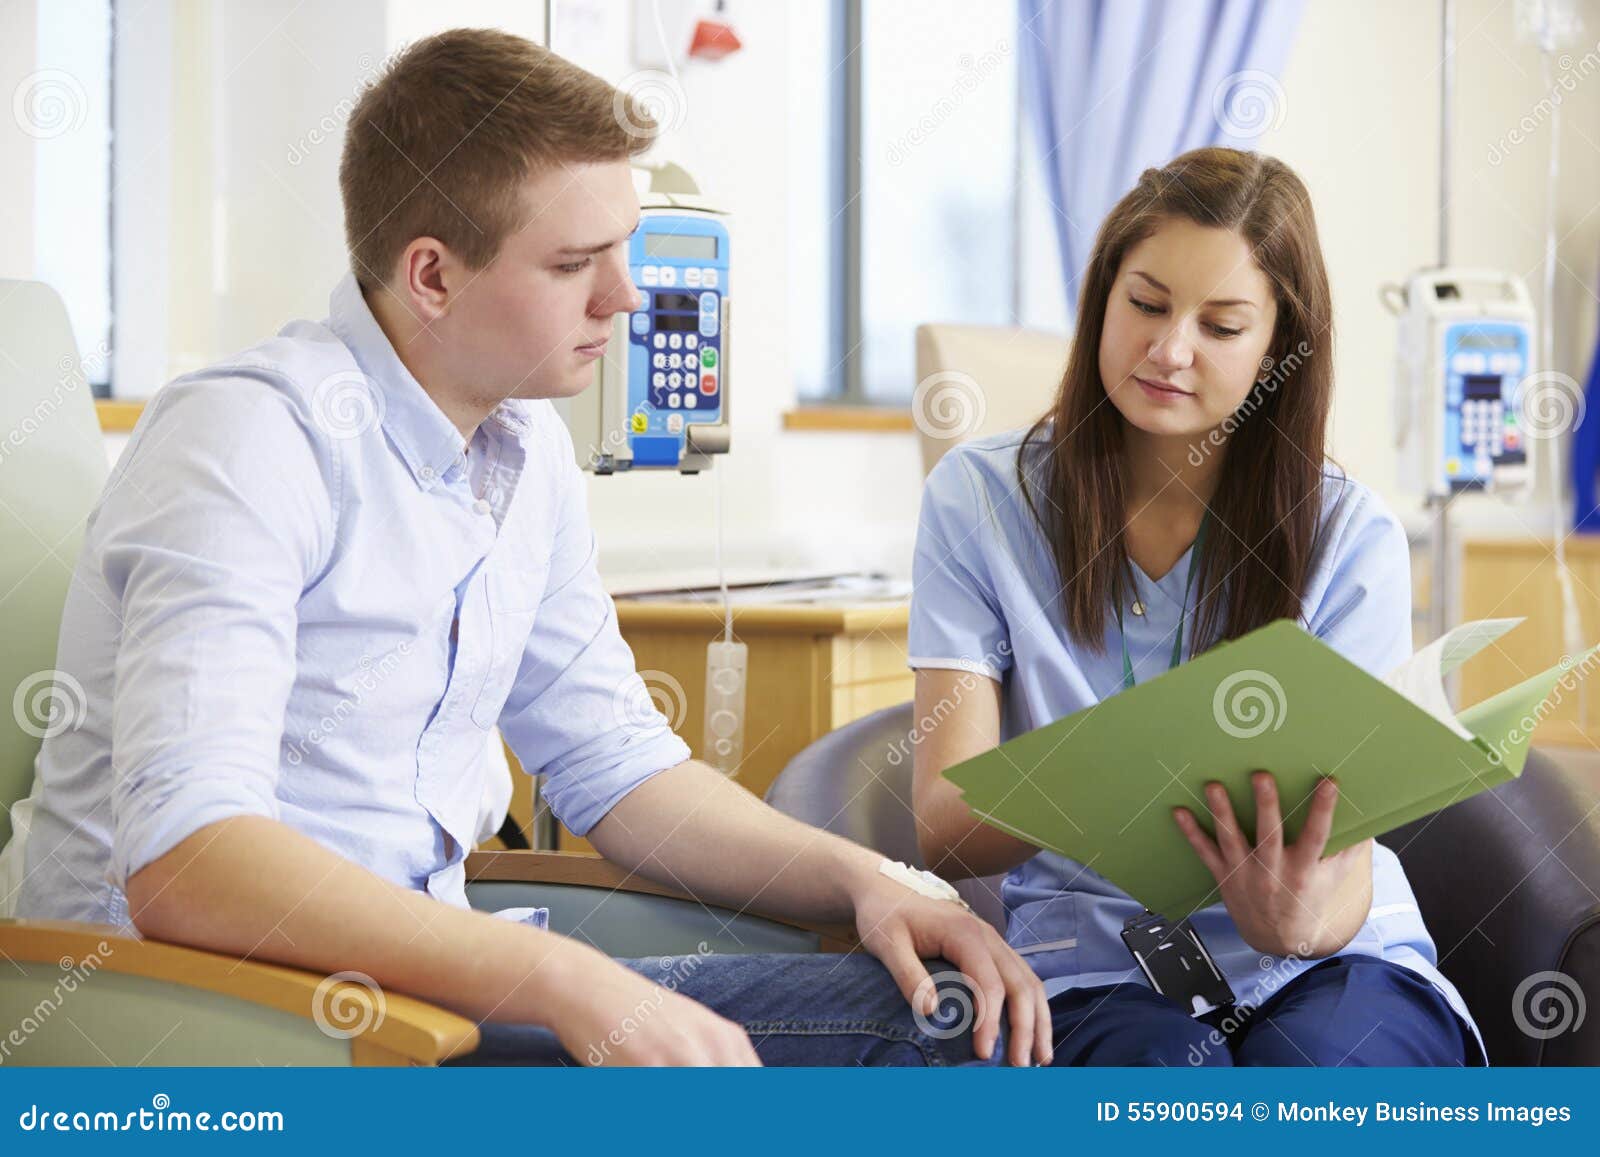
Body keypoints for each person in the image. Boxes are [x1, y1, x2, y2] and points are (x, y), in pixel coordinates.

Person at [0, 28, 1050, 1068]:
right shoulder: (248, 440)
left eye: (624, 250)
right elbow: (190, 863)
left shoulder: (523, 453)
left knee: (947, 1010)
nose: (626, 297)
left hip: (422, 993)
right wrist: (561, 979)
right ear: (431, 276)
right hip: (208, 1020)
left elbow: (620, 769)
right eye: (573, 264)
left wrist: (873, 880)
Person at [907, 147, 1484, 1067]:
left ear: (1277, 350)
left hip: (1331, 961)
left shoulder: (1349, 534)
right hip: (1093, 962)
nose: (1169, 350)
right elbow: (942, 818)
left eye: (1221, 325)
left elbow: (1346, 863)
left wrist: (1295, 919)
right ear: (1102, 297)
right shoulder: (979, 501)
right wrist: (1133, 765)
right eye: (1145, 304)